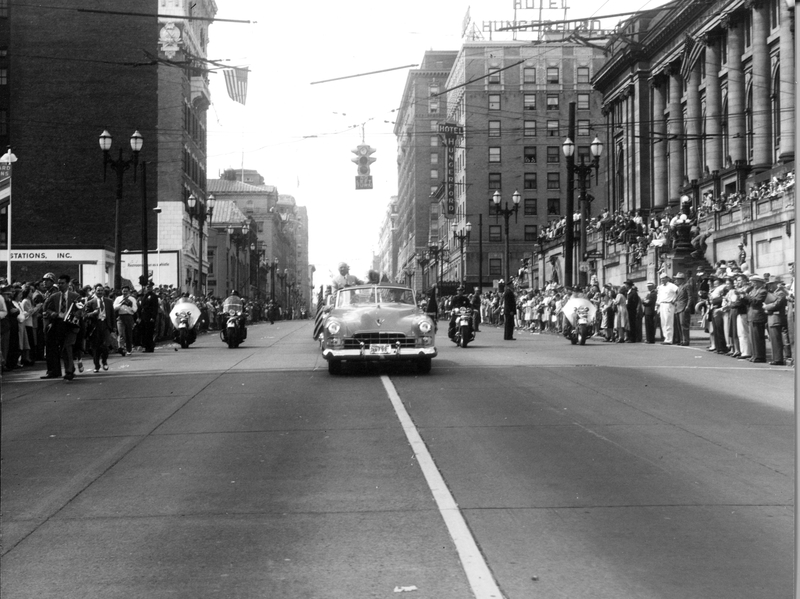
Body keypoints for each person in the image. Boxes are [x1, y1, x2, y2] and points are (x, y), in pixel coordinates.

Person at [41, 274, 81, 381]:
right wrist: (56, 314)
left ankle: (69, 371)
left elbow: (81, 310)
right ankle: (69, 368)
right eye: (59, 283)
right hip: (59, 325)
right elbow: (47, 310)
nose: (60, 285)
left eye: (62, 283)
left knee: (68, 346)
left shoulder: (75, 296)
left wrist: (74, 316)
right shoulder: (54, 297)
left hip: (71, 326)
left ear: (68, 284)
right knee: (64, 348)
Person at [84, 284, 115, 372]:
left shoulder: (109, 301)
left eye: (101, 290)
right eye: (98, 290)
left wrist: (114, 327)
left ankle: (104, 361)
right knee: (95, 347)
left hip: (105, 325)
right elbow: (85, 315)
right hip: (95, 326)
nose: (100, 292)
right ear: (95, 291)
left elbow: (112, 315)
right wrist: (93, 313)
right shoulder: (90, 302)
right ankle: (96, 365)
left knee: (105, 345)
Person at [744, 274, 768, 363]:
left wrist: (746, 295)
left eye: (754, 282)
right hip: (751, 315)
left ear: (759, 283)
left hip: (758, 316)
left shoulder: (763, 291)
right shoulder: (753, 290)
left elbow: (756, 302)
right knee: (753, 338)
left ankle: (760, 356)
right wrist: (743, 297)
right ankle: (755, 355)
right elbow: (749, 301)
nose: (752, 284)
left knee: (758, 337)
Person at [763, 276, 787, 365]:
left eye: (771, 284)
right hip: (772, 317)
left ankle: (778, 359)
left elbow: (777, 304)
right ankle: (777, 358)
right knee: (774, 339)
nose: (770, 286)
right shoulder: (773, 293)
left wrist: (766, 307)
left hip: (777, 318)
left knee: (776, 340)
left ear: (777, 284)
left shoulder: (780, 293)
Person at [655, 272, 678, 345]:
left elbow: (678, 292)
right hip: (662, 304)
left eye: (664, 278)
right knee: (663, 323)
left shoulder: (672, 286)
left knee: (668, 322)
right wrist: (657, 305)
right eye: (661, 278)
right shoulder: (660, 287)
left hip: (669, 304)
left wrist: (675, 299)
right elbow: (659, 296)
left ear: (667, 278)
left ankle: (669, 339)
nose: (662, 280)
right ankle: (666, 338)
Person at [139, 280, 159, 353]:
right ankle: (146, 346)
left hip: (150, 317)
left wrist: (153, 317)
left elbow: (155, 307)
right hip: (144, 316)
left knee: (149, 333)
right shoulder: (144, 296)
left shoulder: (153, 296)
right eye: (147, 287)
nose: (148, 288)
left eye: (150, 287)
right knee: (144, 332)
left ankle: (150, 347)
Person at [674, 272, 691, 346]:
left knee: (683, 324)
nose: (676, 280)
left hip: (683, 306)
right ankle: (681, 339)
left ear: (681, 279)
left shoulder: (686, 285)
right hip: (678, 306)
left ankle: (685, 340)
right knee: (679, 325)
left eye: (677, 279)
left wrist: (688, 306)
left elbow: (690, 297)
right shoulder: (679, 287)